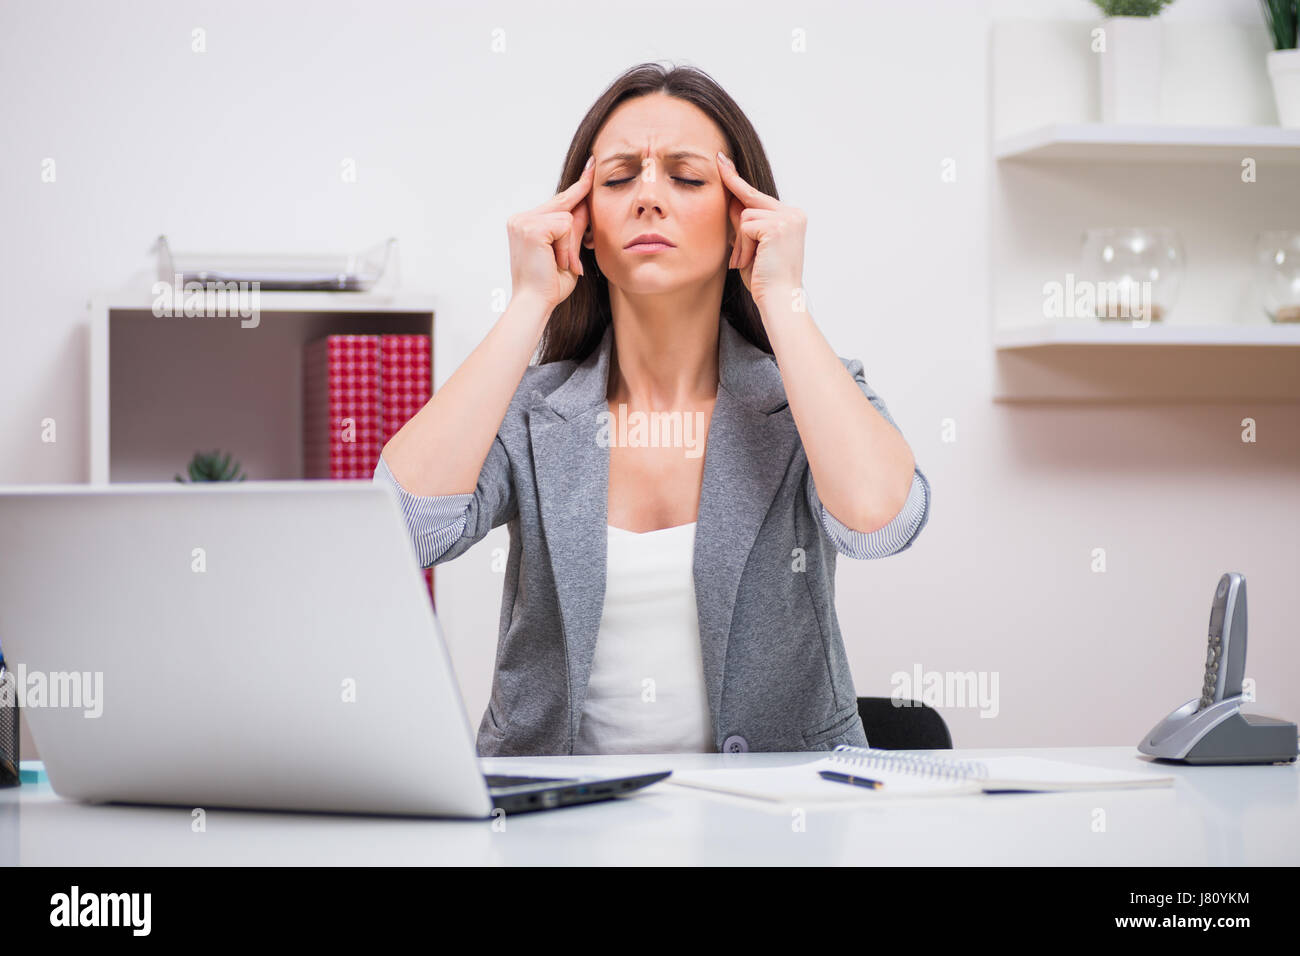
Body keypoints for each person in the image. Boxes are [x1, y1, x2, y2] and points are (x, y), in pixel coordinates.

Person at [376, 62, 931, 757]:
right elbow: (404, 529)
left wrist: (783, 295)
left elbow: (883, 523)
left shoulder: (809, 397)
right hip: (552, 828)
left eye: (687, 177)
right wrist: (526, 302)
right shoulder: (531, 412)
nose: (647, 198)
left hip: (775, 826)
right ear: (582, 227)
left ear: (742, 228)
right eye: (616, 178)